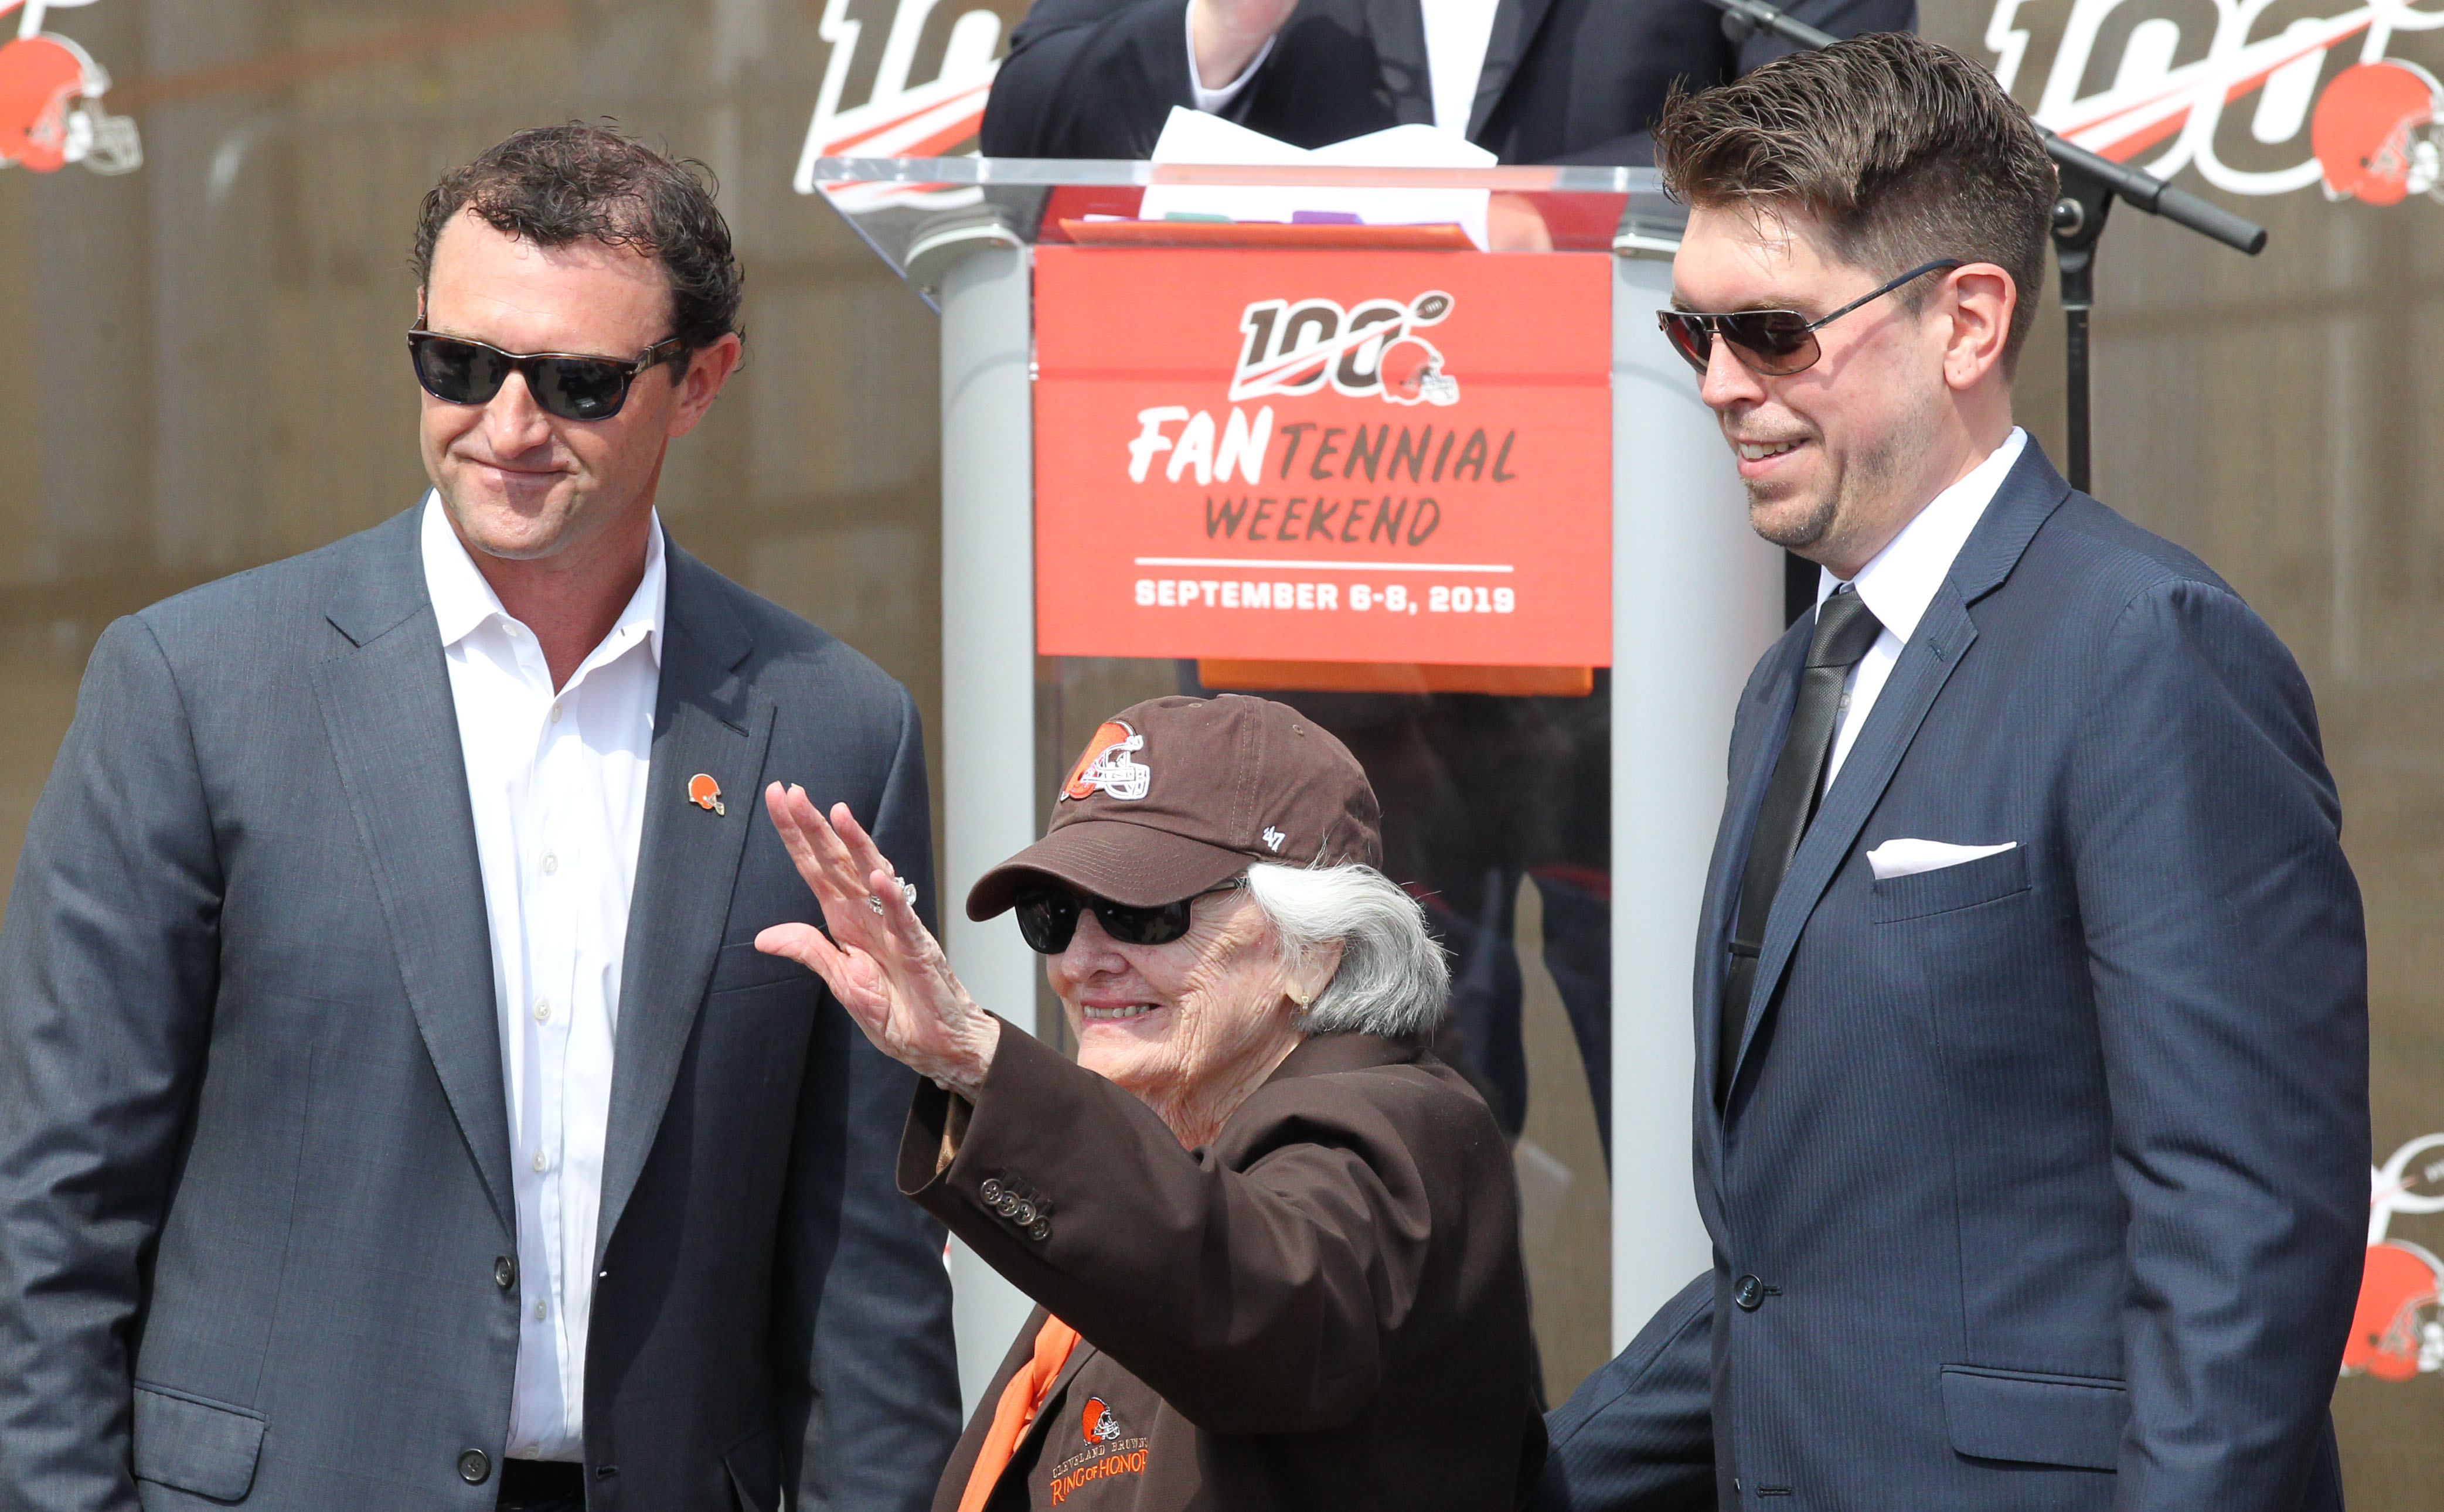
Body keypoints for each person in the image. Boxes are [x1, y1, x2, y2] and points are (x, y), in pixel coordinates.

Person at [0, 125, 959, 1511]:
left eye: (577, 383)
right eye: (458, 365)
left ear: (701, 383)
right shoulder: (197, 689)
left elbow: (866, 1271)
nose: (507, 426)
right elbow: (54, 1213)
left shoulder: (832, 728)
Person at [1535, 33, 2367, 1511]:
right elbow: (1783, 1269)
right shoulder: (1789, 684)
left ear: (1969, 322)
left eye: (1774, 333)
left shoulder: (2147, 653)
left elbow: (2245, 1238)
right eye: (1693, 337)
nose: (1722, 386)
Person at [755, 693, 1546, 1510]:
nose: (1082, 960)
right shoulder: (1171, 1166)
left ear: (1313, 952)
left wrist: (978, 1062)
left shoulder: (1397, 1124)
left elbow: (1261, 1301)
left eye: (1144, 913)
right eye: (1054, 916)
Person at [979, 0, 1915, 164]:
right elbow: (1022, 132)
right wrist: (1219, 26)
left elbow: (1832, 127)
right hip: (1288, 525)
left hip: (1645, 512)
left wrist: (1529, 213)